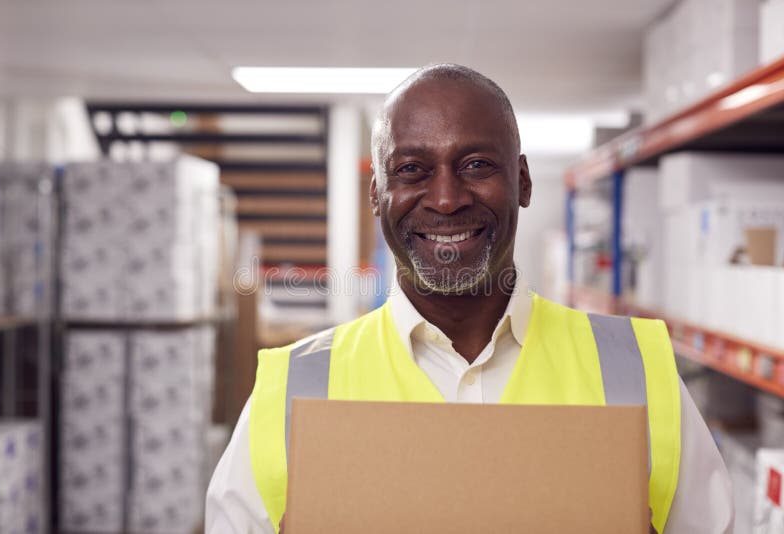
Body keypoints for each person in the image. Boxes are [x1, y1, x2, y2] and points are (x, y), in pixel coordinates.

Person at [206, 64, 734, 534]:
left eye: (477, 165)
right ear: (377, 196)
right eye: (411, 169)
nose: (445, 199)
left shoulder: (637, 372)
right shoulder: (293, 388)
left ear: (522, 182)